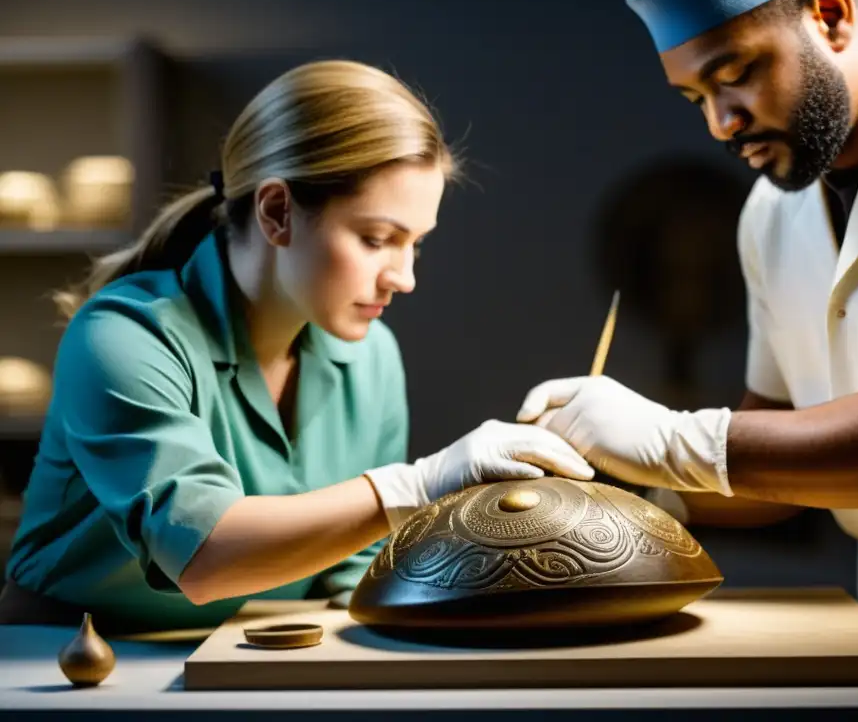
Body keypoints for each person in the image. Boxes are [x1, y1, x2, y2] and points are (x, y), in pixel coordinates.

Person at [517, 0, 858, 648]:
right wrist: (622, 478)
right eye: (697, 99)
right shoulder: (770, 211)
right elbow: (778, 461)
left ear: (832, 15)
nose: (720, 125)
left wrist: (665, 437)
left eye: (734, 77)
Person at [0, 59, 593, 633]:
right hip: (61, 663)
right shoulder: (124, 336)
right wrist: (419, 484)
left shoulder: (371, 357)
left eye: (416, 243)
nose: (404, 277)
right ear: (278, 211)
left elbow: (357, 577)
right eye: (377, 238)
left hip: (247, 651)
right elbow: (202, 557)